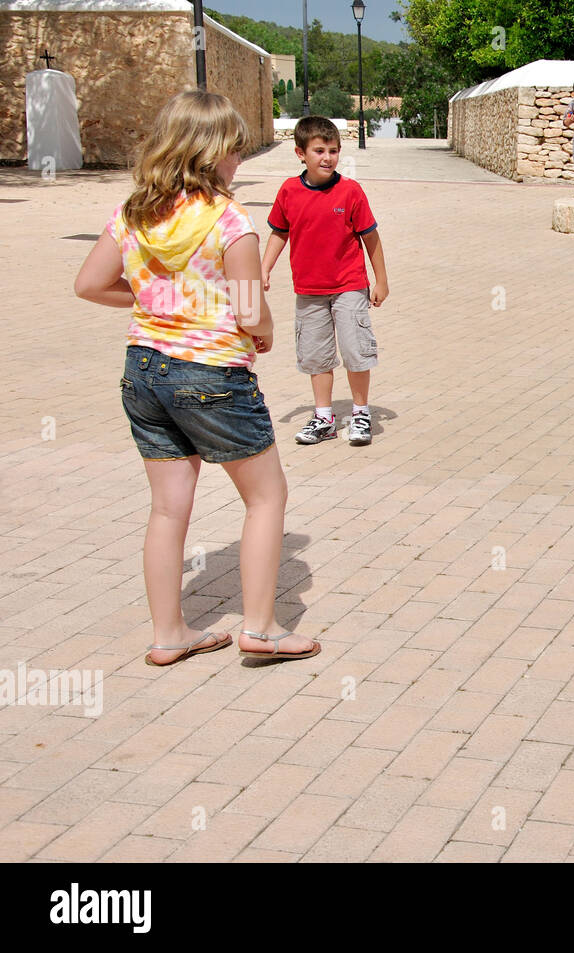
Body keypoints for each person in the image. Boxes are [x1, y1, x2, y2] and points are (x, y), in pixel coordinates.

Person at [73, 90, 320, 666]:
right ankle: (260, 627)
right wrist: (265, 333)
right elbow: (249, 306)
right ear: (211, 154)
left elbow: (89, 284)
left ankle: (169, 635)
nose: (239, 162)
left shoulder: (133, 212)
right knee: (265, 497)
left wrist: (157, 302)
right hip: (211, 374)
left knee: (166, 509)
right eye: (234, 151)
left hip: (145, 371)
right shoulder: (228, 219)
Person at [261, 116, 389, 447]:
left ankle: (361, 413)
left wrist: (381, 281)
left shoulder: (350, 191)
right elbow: (279, 232)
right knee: (316, 356)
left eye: (333, 150)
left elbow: (370, 238)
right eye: (319, 150)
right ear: (300, 153)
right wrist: (264, 268)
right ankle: (324, 417)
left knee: (355, 350)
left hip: (348, 285)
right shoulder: (289, 191)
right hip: (309, 290)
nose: (327, 157)